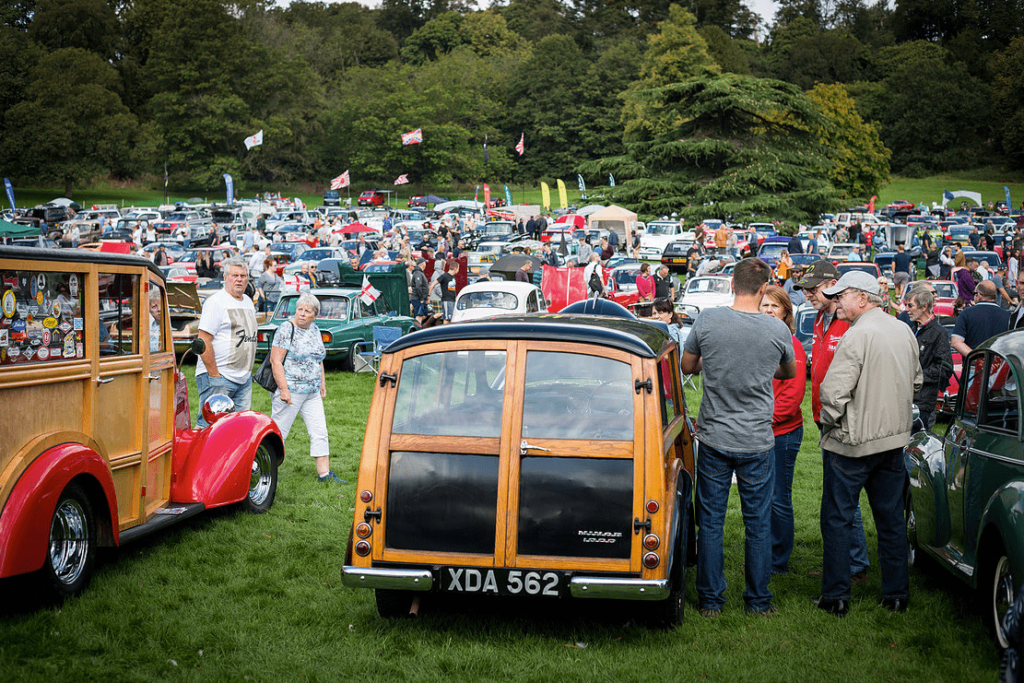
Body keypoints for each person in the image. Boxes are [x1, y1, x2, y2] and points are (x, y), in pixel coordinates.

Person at [681, 258, 797, 617]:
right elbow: (788, 371)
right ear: (764, 289)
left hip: (715, 434)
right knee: (758, 522)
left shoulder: (709, 319)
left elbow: (687, 366)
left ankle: (711, 601)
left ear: (732, 284)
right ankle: (758, 601)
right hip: (757, 439)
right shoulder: (777, 330)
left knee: (711, 522)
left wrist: (712, 360)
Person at [815, 270, 922, 616]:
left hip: (853, 444)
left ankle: (836, 597)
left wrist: (832, 424)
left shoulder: (857, 334)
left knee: (837, 519)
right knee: (891, 520)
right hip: (893, 442)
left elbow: (832, 393)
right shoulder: (902, 329)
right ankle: (896, 595)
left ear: (862, 297)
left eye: (841, 295)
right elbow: (916, 382)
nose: (836, 301)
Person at [794, 260, 871, 583]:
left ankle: (853, 565)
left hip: (844, 417)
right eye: (807, 289)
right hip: (822, 415)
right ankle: (847, 560)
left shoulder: (850, 320)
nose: (810, 294)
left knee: (843, 494)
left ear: (834, 284)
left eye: (815, 288)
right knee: (834, 493)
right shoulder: (820, 319)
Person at [269, 293, 342, 483]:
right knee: (278, 433)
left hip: (312, 392)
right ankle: (264, 470)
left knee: (320, 431)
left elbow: (318, 359)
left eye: (307, 311)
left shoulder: (315, 329)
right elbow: (275, 361)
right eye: (299, 309)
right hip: (291, 390)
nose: (302, 314)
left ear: (315, 315)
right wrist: (283, 389)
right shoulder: (286, 328)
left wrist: (322, 383)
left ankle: (324, 475)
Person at [759, 284, 807, 576]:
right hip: (759, 432)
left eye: (774, 306)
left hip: (782, 434)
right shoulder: (755, 340)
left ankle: (778, 561)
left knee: (778, 498)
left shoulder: (793, 344)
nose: (768, 311)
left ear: (786, 312)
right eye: (764, 305)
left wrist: (758, 420)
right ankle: (765, 555)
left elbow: (790, 398)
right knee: (761, 497)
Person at [195, 257, 257, 428]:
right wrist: (214, 375)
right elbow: (203, 340)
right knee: (209, 427)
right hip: (220, 377)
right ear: (225, 278)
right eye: (235, 275)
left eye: (243, 276)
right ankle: (203, 456)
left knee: (236, 429)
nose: (239, 279)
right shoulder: (216, 302)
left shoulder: (247, 302)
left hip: (243, 379)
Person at [905, 288, 952, 429]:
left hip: (923, 403)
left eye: (910, 305)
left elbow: (945, 369)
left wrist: (917, 377)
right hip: (907, 398)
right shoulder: (912, 329)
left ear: (924, 306)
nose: (906, 309)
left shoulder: (938, 333)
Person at [952, 280, 1011, 356]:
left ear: (979, 295)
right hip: (999, 365)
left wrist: (975, 358)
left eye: (974, 293)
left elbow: (956, 342)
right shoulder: (1008, 316)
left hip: (974, 366)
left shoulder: (966, 314)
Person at [410, 258, 430, 324]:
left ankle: (417, 325)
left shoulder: (420, 273)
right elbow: (418, 286)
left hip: (421, 298)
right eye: (425, 263)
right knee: (419, 315)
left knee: (424, 314)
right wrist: (421, 298)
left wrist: (425, 297)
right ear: (422, 264)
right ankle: (416, 329)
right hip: (418, 298)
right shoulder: (418, 273)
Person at [149, 287, 163, 353]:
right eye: (154, 306)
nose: (159, 309)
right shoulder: (148, 328)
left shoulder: (172, 327)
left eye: (162, 305)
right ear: (149, 309)